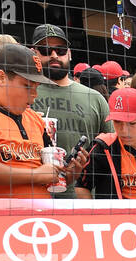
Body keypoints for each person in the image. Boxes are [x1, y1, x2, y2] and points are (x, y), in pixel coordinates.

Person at [0, 42, 86, 198]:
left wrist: (68, 175)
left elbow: (48, 177)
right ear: (1, 78)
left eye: (36, 87)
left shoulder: (34, 118)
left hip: (39, 217)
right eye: (28, 86)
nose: (34, 96)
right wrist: (36, 175)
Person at [30, 25, 112, 200]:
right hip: (34, 195)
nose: (54, 55)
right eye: (45, 49)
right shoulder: (25, 93)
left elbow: (111, 151)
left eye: (60, 50)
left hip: (83, 198)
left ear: (69, 53)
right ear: (33, 53)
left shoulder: (95, 98)